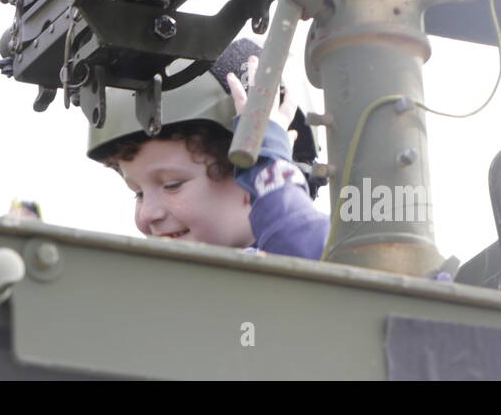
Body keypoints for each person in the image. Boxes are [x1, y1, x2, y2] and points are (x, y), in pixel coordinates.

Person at [87, 40, 328, 260]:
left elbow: (307, 247)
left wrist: (264, 157)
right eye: (138, 193)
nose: (147, 215)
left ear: (253, 182)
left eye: (172, 184)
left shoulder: (292, 264)